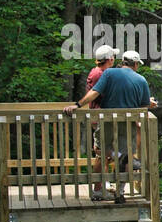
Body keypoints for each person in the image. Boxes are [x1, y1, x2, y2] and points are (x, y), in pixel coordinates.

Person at [65, 63, 152, 201]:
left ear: (123, 62)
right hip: (128, 122)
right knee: (126, 156)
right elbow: (145, 105)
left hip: (107, 119)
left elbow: (95, 92)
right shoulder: (141, 79)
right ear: (135, 64)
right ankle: (120, 192)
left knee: (101, 149)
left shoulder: (109, 73)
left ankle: (116, 159)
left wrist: (77, 105)